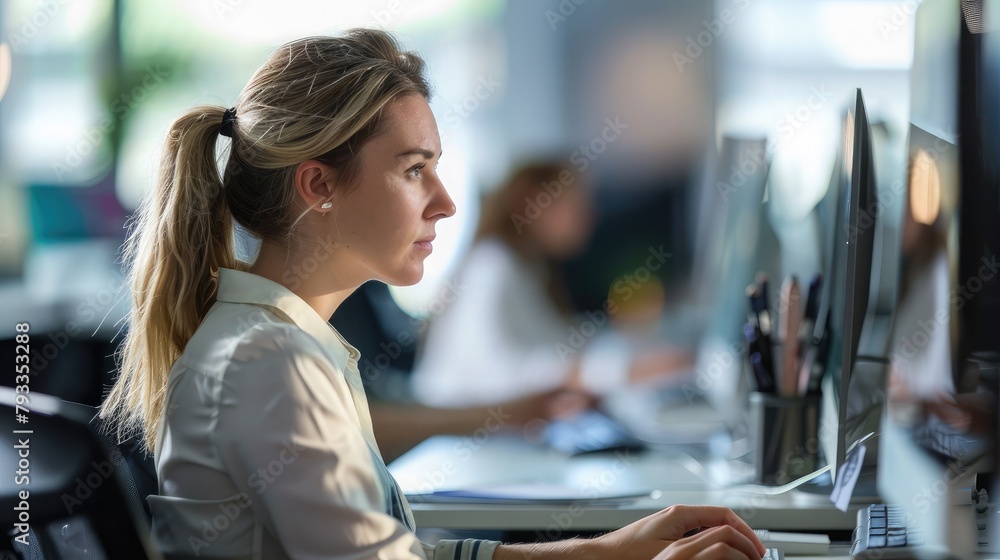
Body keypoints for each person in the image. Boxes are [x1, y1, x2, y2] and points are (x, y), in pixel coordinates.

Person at [100, 29, 765, 559]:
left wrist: (604, 550)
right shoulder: (269, 364)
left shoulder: (289, 346)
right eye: (414, 170)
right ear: (318, 186)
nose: (445, 204)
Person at [413, 162, 692, 408]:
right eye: (577, 205)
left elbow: (554, 345)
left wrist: (631, 351)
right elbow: (500, 375)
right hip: (458, 434)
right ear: (533, 203)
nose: (591, 216)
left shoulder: (528, 267)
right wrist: (621, 370)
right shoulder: (494, 265)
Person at [330, 280, 590, 462]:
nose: (447, 207)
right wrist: (503, 414)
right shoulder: (302, 326)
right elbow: (356, 425)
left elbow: (380, 391)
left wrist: (509, 413)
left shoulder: (363, 294)